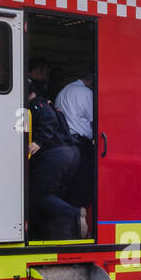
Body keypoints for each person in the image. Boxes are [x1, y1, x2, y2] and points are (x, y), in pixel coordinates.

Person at [26, 59, 80, 239]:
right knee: (52, 196)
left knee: (37, 194)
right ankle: (59, 234)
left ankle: (74, 214)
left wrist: (37, 142)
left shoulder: (36, 104)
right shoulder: (47, 103)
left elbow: (49, 121)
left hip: (57, 154)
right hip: (70, 153)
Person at [54, 73, 95, 236]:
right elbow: (94, 119)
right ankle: (78, 221)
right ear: (91, 80)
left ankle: (66, 227)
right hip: (81, 145)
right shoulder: (85, 93)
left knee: (67, 188)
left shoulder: (63, 91)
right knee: (82, 188)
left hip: (63, 143)